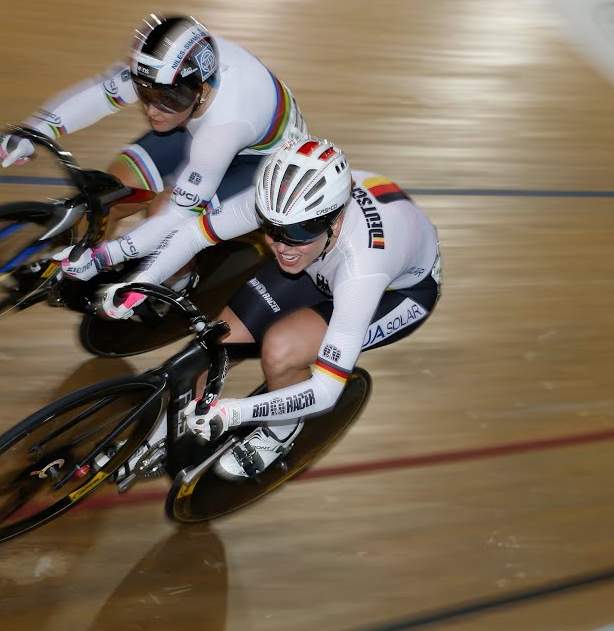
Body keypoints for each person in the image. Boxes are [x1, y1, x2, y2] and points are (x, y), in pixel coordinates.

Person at [96, 137, 443, 481]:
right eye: (272, 231)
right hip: (321, 260)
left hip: (396, 292)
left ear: (334, 221)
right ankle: (160, 435)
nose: (282, 245)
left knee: (281, 351)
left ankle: (281, 432)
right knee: (216, 343)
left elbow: (325, 391)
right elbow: (192, 235)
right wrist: (140, 283)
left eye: (297, 233)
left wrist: (235, 413)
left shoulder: (363, 268)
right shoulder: (279, 204)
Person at [0, 13, 309, 290]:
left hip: (263, 159)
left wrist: (105, 257)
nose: (153, 110)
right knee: (110, 191)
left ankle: (177, 282)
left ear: (201, 89)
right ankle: (80, 271)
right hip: (198, 123)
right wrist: (36, 131)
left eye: (167, 100)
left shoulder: (224, 125)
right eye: (145, 95)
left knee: (163, 210)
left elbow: (177, 216)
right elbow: (102, 95)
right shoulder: (166, 72)